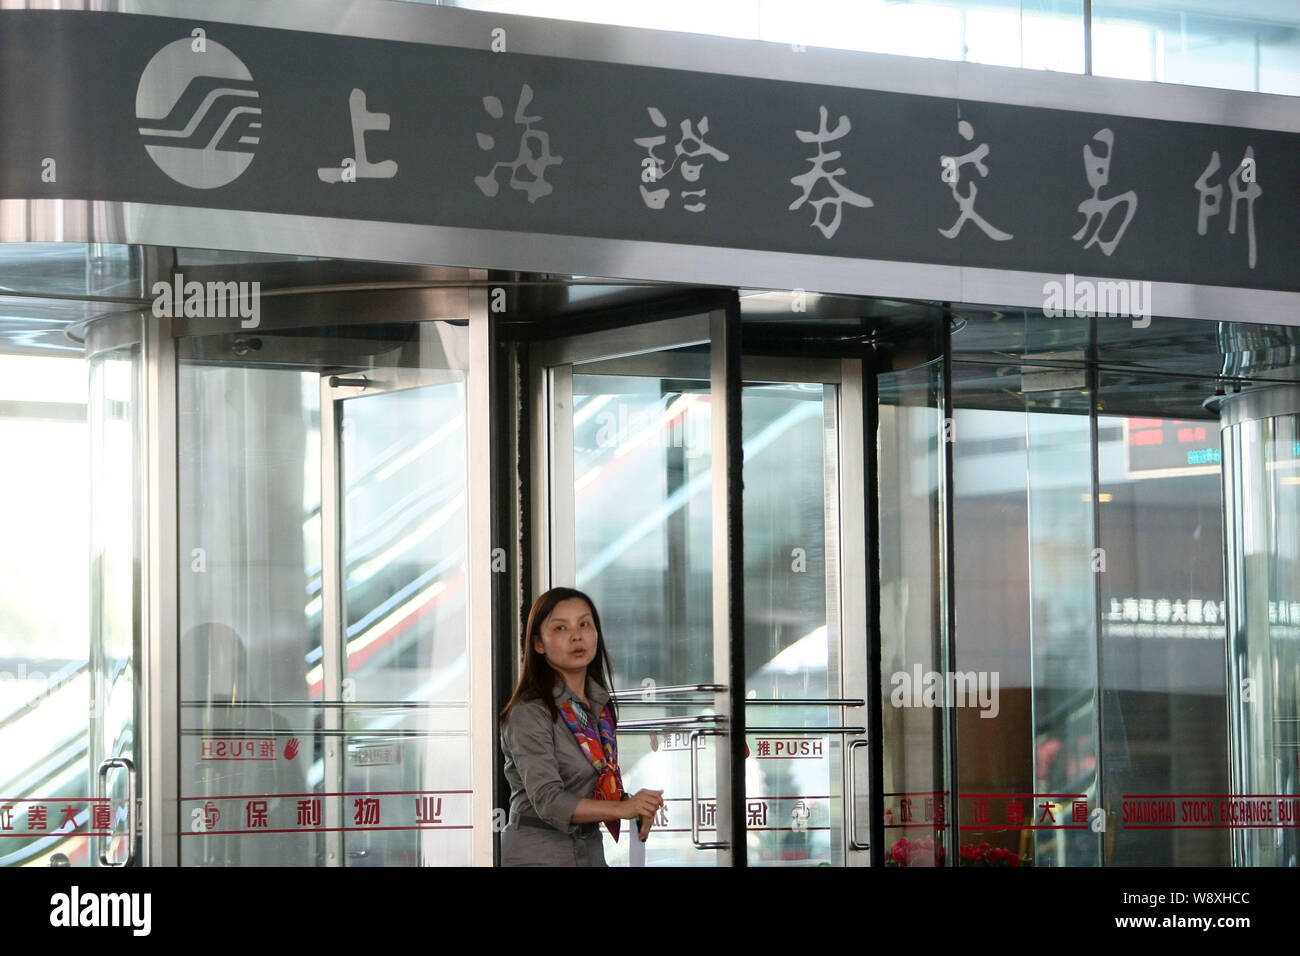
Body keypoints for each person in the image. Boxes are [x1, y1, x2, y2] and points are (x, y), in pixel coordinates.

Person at [498, 586, 663, 866]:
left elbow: (593, 784)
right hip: (538, 854)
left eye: (584, 624)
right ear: (538, 644)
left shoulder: (598, 703)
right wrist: (621, 809)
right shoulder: (529, 713)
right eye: (560, 628)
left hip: (589, 848)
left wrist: (633, 804)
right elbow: (548, 800)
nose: (576, 636)